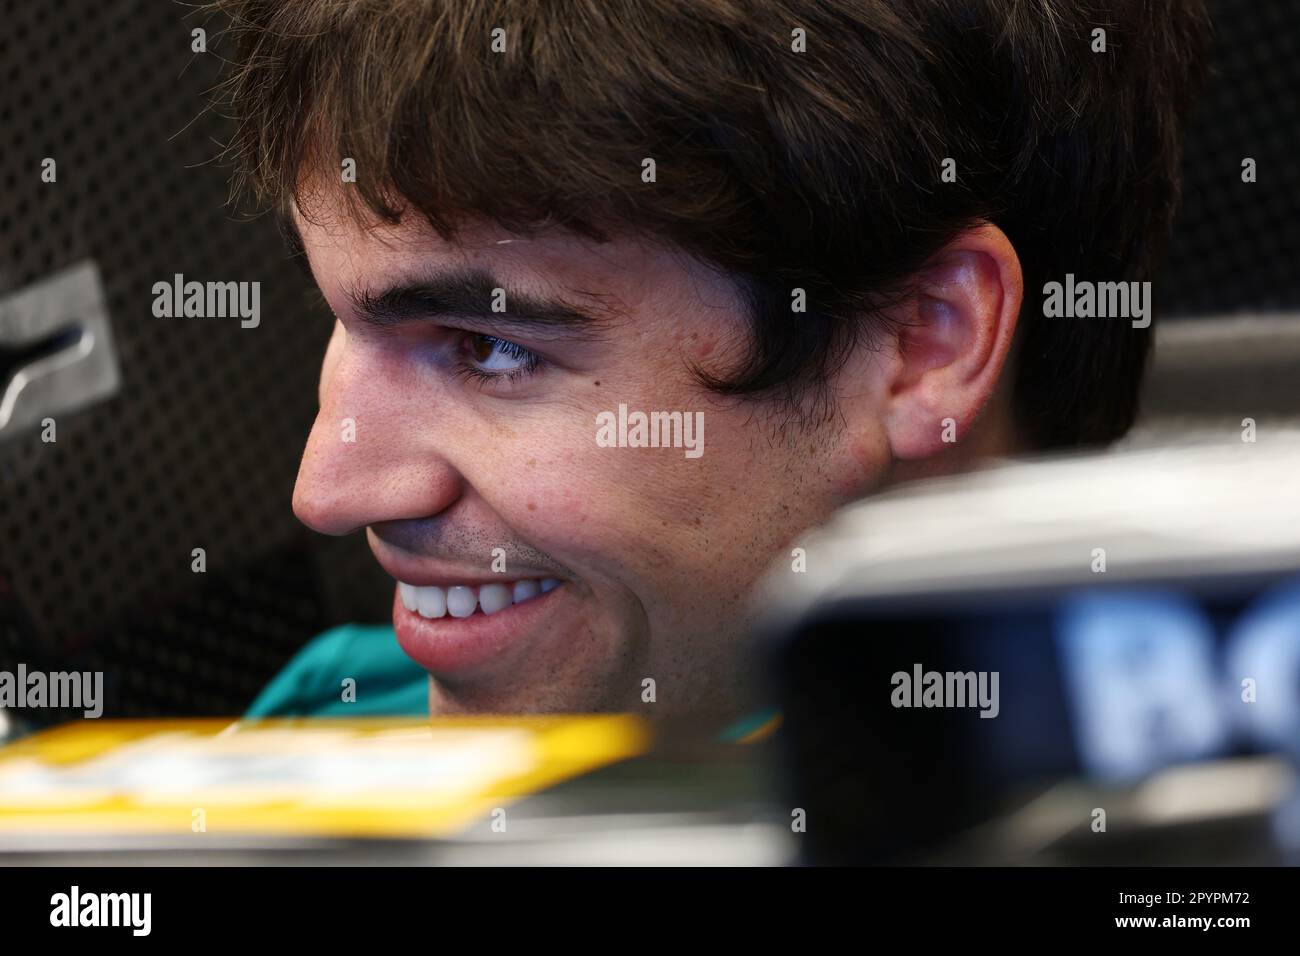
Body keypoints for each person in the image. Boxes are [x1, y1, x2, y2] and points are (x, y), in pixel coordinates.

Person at [215, 0, 1209, 721]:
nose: (328, 492)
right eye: (345, 323)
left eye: (488, 347)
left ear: (922, 344)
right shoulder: (315, 736)